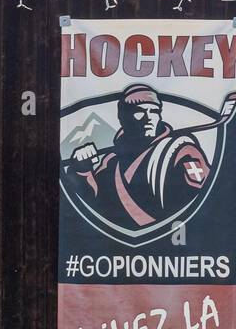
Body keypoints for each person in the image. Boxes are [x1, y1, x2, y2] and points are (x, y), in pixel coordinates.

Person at [66, 83, 211, 229]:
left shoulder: (182, 151)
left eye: (154, 111)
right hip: (115, 246)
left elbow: (200, 202)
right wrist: (82, 170)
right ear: (123, 117)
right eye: (140, 111)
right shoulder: (111, 161)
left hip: (172, 241)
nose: (149, 117)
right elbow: (94, 203)